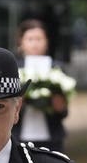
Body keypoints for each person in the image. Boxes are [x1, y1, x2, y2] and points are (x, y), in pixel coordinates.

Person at [13, 18, 70, 154]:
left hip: (52, 136)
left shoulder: (56, 69)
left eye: (39, 39)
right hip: (18, 136)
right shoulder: (13, 68)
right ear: (21, 42)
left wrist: (57, 104)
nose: (35, 44)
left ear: (46, 42)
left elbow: (64, 111)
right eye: (30, 39)